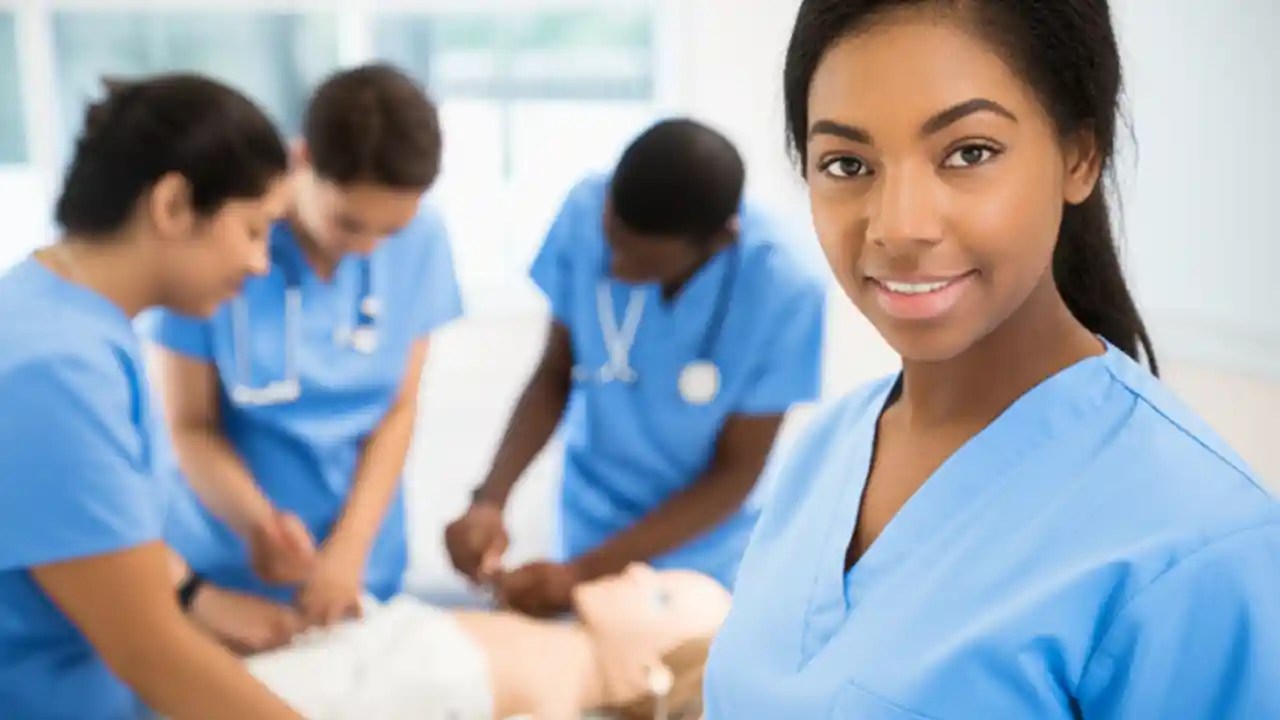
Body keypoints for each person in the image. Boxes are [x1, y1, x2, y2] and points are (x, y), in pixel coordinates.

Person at [703, 1, 1280, 718]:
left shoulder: (1200, 543)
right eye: (847, 164)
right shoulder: (825, 451)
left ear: (1079, 156)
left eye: (968, 153)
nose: (899, 226)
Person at [0, 74, 302, 718]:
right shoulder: (54, 369)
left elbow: (79, 527)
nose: (260, 264)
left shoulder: (55, 317)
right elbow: (151, 652)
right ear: (171, 205)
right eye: (253, 229)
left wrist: (195, 594)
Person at [445, 118, 827, 617]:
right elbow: (554, 373)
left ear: (719, 242)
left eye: (640, 259)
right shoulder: (584, 213)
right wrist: (489, 499)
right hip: (590, 518)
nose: (614, 265)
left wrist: (582, 573)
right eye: (612, 239)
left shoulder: (784, 287)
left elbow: (737, 472)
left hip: (707, 551)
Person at [143, 63, 463, 628]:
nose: (367, 249)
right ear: (303, 159)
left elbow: (399, 408)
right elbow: (189, 422)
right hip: (230, 564)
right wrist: (259, 525)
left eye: (389, 232)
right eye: (348, 223)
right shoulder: (219, 240)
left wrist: (349, 549)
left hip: (363, 562)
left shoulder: (423, 239)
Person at [244, 563, 727, 720]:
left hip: (385, 684)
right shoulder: (551, 635)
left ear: (646, 673)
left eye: (663, 598)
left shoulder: (557, 699)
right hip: (369, 650)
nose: (639, 570)